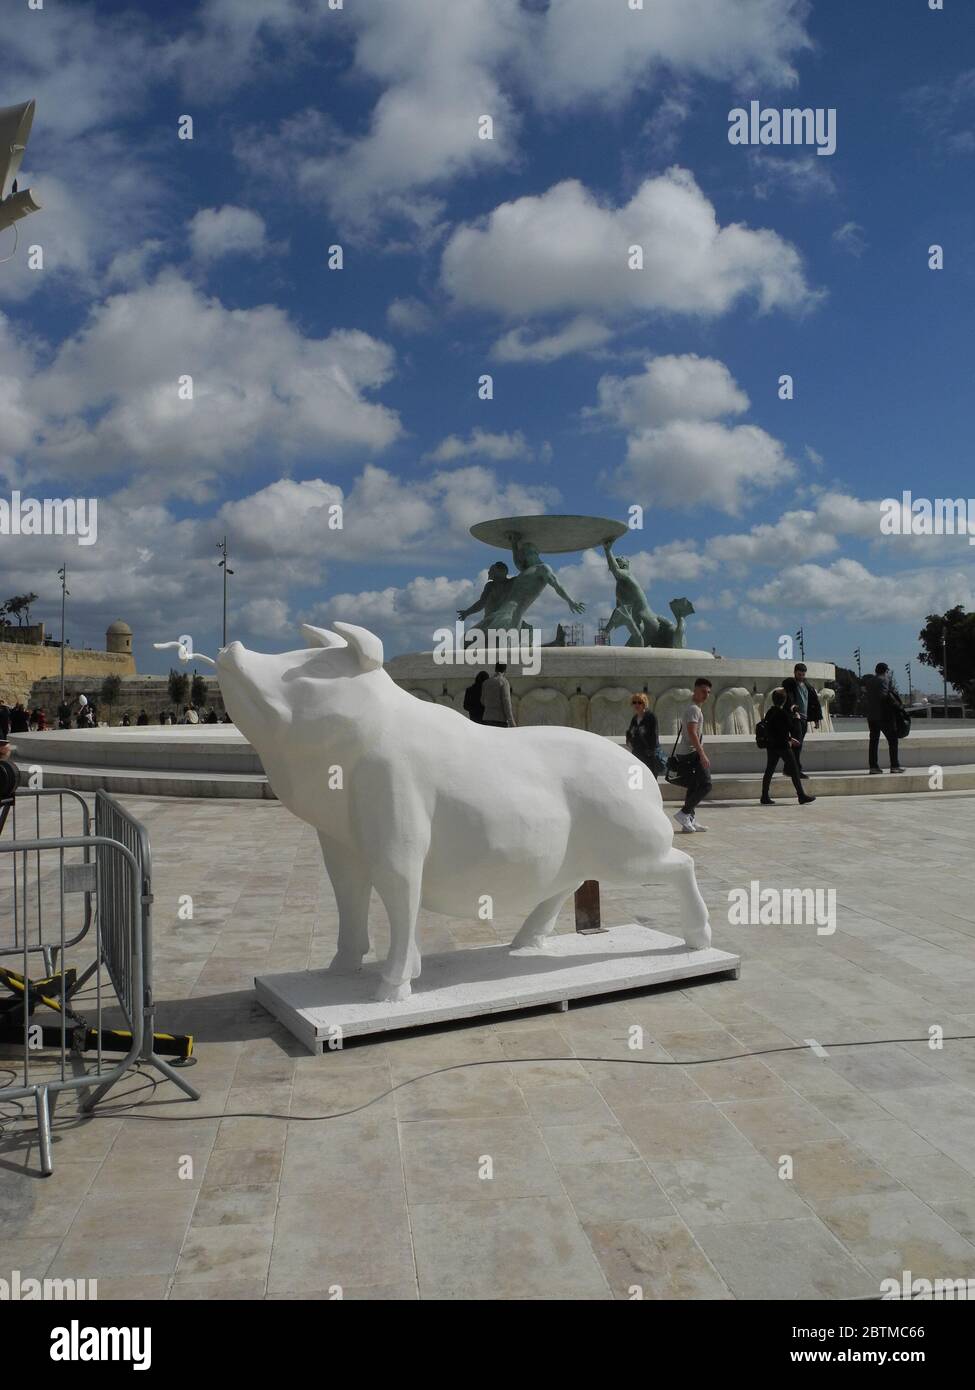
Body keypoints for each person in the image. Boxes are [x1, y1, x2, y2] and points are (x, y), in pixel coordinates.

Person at [760, 689, 817, 806]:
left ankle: (764, 796)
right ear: (784, 701)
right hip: (783, 746)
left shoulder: (770, 712)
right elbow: (793, 729)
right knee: (794, 769)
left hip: (771, 746)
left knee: (769, 770)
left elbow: (776, 729)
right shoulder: (783, 714)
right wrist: (796, 718)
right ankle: (801, 795)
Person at [672, 677, 713, 833]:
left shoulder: (694, 708)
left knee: (694, 786)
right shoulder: (694, 709)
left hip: (688, 752)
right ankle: (684, 813)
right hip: (691, 753)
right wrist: (702, 754)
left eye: (708, 692)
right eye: (703, 691)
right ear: (695, 690)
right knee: (706, 784)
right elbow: (692, 732)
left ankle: (689, 819)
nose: (706, 695)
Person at [781, 663, 823, 777]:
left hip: (804, 718)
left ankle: (788, 769)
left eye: (803, 674)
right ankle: (795, 769)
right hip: (796, 718)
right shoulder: (791, 684)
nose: (801, 676)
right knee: (797, 744)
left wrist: (816, 719)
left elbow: (814, 702)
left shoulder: (807, 685)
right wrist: (793, 709)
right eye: (799, 674)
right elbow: (788, 692)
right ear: (795, 673)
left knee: (798, 744)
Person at [862, 662, 904, 774]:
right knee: (893, 740)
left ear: (876, 670)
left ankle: (873, 767)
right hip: (883, 715)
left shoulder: (869, 681)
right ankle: (894, 766)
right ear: (885, 671)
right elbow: (884, 696)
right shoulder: (885, 680)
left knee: (874, 741)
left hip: (871, 716)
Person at [626, 693, 662, 776]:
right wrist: (629, 740)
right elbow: (630, 732)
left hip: (648, 755)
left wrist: (651, 751)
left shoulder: (651, 717)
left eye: (639, 702)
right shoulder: (635, 718)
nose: (637, 705)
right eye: (634, 702)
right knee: (639, 778)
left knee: (650, 777)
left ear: (644, 704)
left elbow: (654, 735)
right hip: (637, 753)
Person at [481, 663, 515, 728]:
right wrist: (512, 723)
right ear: (505, 671)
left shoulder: (486, 682)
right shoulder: (504, 682)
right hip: (500, 720)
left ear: (495, 669)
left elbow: (482, 701)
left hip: (487, 718)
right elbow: (507, 703)